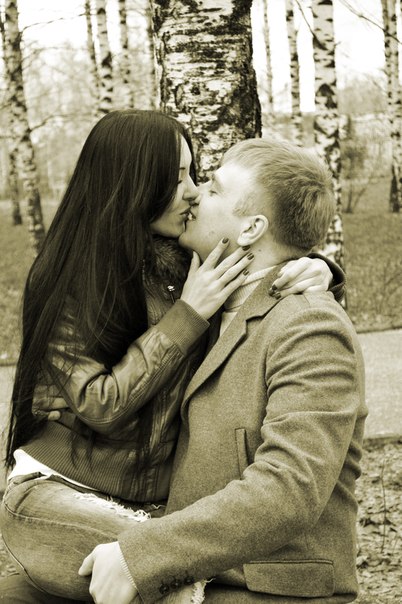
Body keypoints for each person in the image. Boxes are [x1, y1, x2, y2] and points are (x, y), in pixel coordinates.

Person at [0, 112, 342, 603]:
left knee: (170, 567)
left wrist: (316, 267)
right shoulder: (70, 277)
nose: (194, 191)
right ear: (135, 183)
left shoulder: (185, 261)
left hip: (147, 504)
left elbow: (264, 260)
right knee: (173, 578)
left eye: (197, 176)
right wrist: (186, 316)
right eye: (178, 177)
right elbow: (99, 404)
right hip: (63, 487)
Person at [76, 138, 367, 604]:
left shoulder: (310, 325)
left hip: (264, 591)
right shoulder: (204, 304)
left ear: (251, 227)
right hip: (196, 576)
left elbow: (290, 488)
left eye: (213, 188)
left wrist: (143, 554)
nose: (194, 195)